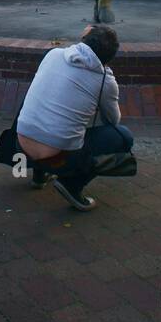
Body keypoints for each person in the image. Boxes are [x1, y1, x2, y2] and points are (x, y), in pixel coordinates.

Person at [16, 25, 132, 211]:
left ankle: (39, 176)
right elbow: (113, 121)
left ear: (84, 41)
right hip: (60, 159)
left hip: (21, 144)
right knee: (123, 137)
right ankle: (72, 186)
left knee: (42, 109)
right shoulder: (105, 81)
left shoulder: (53, 54)